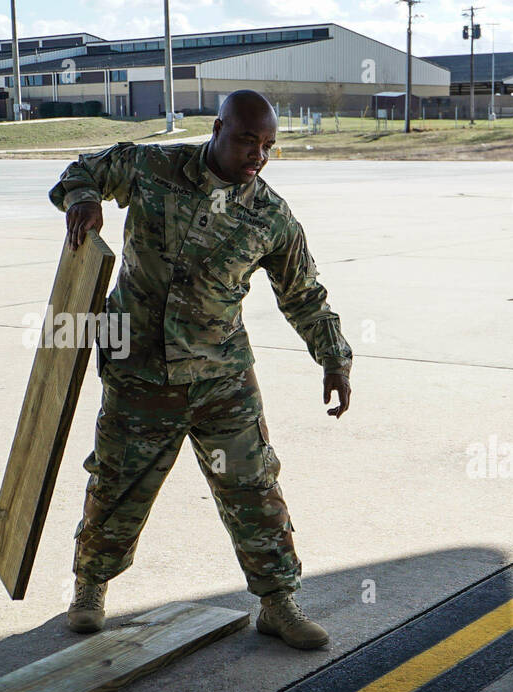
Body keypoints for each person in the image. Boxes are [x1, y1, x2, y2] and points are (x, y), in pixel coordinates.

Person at [48, 90, 352, 651]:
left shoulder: (270, 215)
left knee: (253, 487)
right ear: (217, 128)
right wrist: (84, 197)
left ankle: (277, 601)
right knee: (117, 485)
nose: (257, 154)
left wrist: (334, 356)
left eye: (267, 146)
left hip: (222, 377)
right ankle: (89, 588)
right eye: (246, 140)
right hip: (139, 369)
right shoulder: (152, 167)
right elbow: (82, 170)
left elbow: (304, 294)